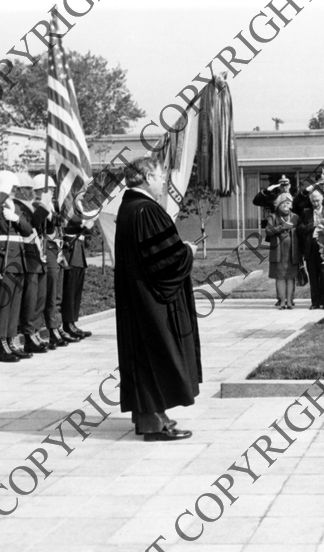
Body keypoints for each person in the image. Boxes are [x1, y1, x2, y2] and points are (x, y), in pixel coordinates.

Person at [115, 156, 199, 441]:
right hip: (152, 299)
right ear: (147, 177)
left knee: (142, 356)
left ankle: (149, 417)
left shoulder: (128, 208)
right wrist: (187, 251)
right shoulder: (146, 211)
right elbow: (166, 260)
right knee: (157, 354)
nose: (163, 181)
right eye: (161, 175)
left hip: (136, 298)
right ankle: (155, 424)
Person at [0, 171, 33, 362]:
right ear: (4, 186)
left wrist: (16, 219)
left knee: (14, 305)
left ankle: (11, 342)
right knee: (2, 304)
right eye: (12, 188)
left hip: (17, 261)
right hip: (2, 261)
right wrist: (2, 192)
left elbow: (28, 230)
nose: (14, 191)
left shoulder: (15, 207)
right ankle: (1, 346)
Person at [32, 174, 76, 347]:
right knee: (48, 294)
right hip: (46, 251)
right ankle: (49, 329)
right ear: (39, 190)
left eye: (52, 189)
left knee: (56, 294)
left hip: (55, 250)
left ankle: (56, 327)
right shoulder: (37, 206)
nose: (52, 192)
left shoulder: (51, 206)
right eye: (49, 189)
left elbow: (59, 225)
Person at [14, 174, 50, 354]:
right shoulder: (18, 206)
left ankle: (35, 331)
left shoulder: (28, 205)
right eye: (28, 188)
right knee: (30, 299)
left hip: (38, 254)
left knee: (39, 298)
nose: (31, 192)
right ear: (20, 189)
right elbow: (31, 224)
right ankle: (29, 335)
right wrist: (43, 206)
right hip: (28, 256)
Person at [255, 175, 293, 307]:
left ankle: (290, 298)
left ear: (290, 185)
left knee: (292, 269)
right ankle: (280, 297)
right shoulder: (273, 198)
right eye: (282, 185)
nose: (284, 187)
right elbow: (257, 201)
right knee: (279, 269)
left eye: (286, 185)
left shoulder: (295, 198)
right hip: (277, 237)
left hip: (293, 239)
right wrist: (269, 189)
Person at [300, 190, 324, 309]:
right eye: (313, 201)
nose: (316, 203)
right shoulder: (306, 213)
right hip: (311, 248)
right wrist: (313, 224)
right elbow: (300, 229)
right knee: (313, 276)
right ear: (310, 201)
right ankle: (315, 302)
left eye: (318, 200)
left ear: (322, 200)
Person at [265, 193, 301, 310]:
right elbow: (268, 231)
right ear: (279, 204)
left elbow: (301, 234)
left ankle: (290, 301)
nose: (286, 205)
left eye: (289, 202)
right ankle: (282, 302)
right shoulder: (273, 217)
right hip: (279, 253)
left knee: (291, 277)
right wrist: (282, 227)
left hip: (292, 252)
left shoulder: (295, 217)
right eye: (284, 202)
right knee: (280, 277)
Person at [61, 219, 92, 341]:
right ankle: (67, 324)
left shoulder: (81, 206)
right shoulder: (67, 202)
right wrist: (81, 222)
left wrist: (89, 223)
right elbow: (65, 223)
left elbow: (88, 233)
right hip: (70, 251)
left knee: (75, 293)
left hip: (79, 253)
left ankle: (72, 322)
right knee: (69, 292)